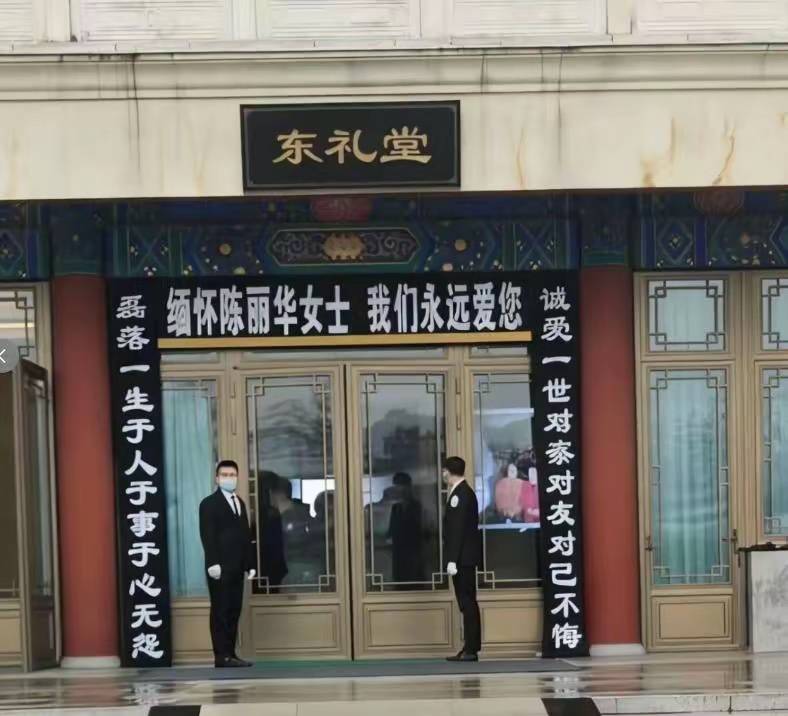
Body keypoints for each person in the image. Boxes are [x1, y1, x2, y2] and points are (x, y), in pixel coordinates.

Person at [199, 459, 256, 668]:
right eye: (224, 475)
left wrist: (250, 564)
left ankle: (230, 653)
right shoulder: (209, 504)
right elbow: (208, 535)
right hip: (219, 568)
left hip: (237, 567)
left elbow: (245, 535)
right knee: (220, 610)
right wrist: (212, 563)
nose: (229, 478)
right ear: (217, 478)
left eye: (232, 475)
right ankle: (221, 655)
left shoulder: (239, 502)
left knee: (234, 610)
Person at [442, 455, 482, 662]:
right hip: (464, 557)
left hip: (463, 559)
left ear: (449, 472)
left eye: (444, 470)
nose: (443, 474)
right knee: (466, 603)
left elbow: (457, 530)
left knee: (467, 603)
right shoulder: (462, 492)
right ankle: (469, 646)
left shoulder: (461, 494)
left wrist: (452, 559)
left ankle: (471, 649)